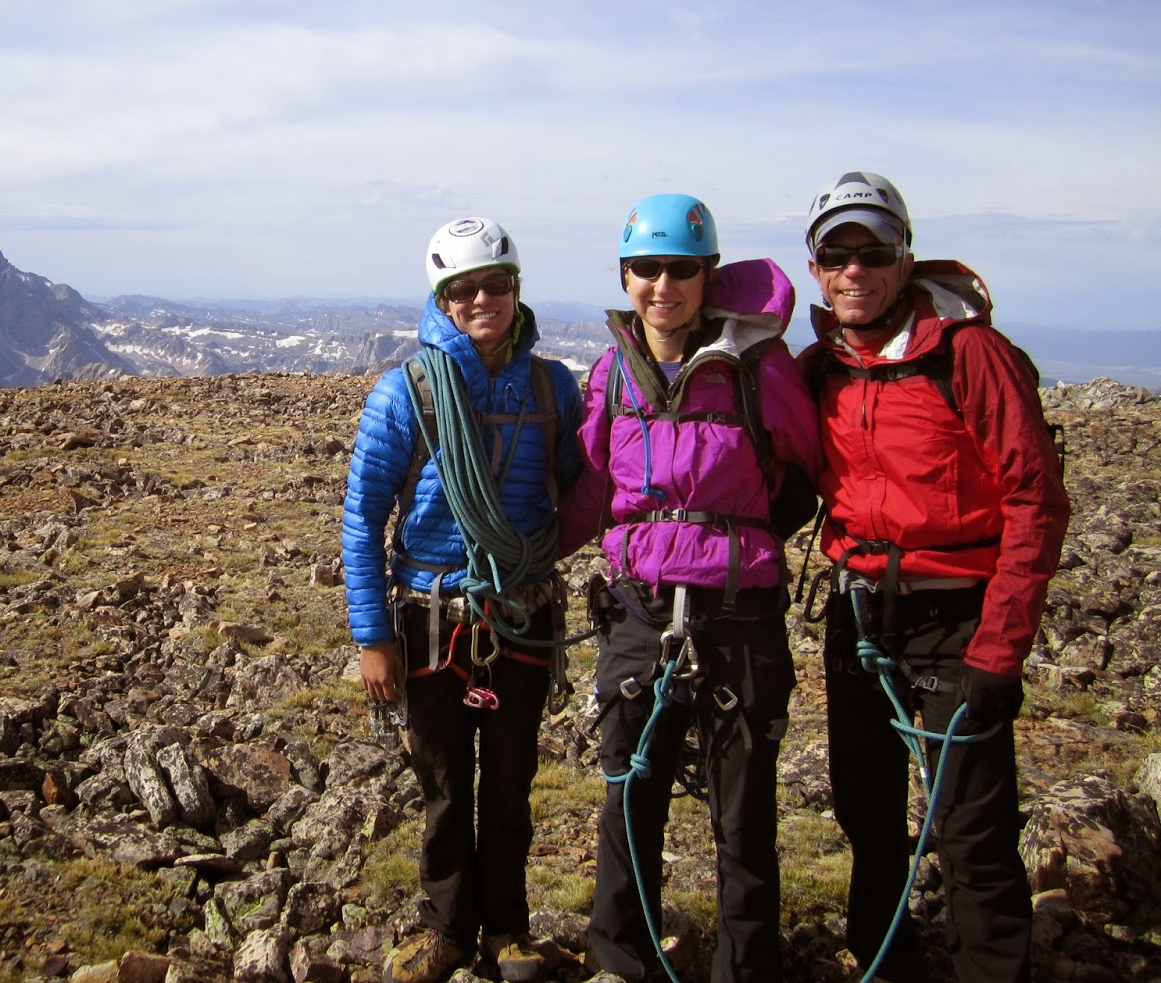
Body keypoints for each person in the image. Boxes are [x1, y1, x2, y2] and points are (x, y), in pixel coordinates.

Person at [800, 171, 1070, 983]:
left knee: (970, 826)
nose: (853, 269)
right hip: (858, 611)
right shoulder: (821, 368)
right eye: (834, 253)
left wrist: (1001, 648)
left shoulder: (969, 355)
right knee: (864, 808)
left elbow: (1035, 498)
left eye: (871, 250)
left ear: (904, 257)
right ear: (814, 268)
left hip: (960, 615)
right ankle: (886, 958)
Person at [557, 194, 822, 983]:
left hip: (738, 611)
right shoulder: (613, 370)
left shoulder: (759, 365)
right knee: (629, 792)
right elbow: (592, 487)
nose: (662, 285)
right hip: (640, 608)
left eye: (681, 269)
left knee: (742, 807)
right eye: (647, 269)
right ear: (625, 275)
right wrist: (523, 561)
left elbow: (807, 466)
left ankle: (745, 967)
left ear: (709, 276)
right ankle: (622, 960)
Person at [342, 216, 584, 983]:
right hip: (430, 615)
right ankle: (449, 929)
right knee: (444, 783)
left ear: (516, 290)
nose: (483, 299)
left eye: (497, 285)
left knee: (511, 779)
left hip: (519, 608)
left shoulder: (553, 388)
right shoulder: (403, 393)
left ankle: (507, 928)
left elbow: (580, 490)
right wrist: (371, 635)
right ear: (442, 300)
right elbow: (361, 518)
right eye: (465, 289)